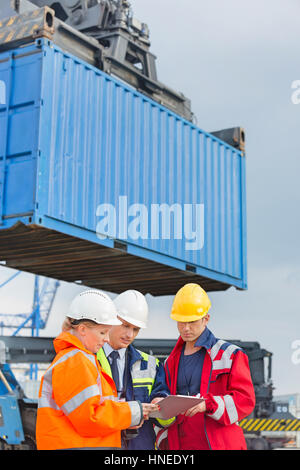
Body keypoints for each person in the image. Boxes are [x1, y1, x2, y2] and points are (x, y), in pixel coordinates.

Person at [36, 289, 159, 450]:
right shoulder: (75, 362)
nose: (107, 339)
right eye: (102, 332)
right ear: (82, 329)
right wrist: (133, 411)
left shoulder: (77, 359)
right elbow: (90, 418)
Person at [155, 283, 256, 451]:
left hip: (219, 445)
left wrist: (208, 404)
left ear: (206, 319)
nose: (186, 328)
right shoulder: (169, 363)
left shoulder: (231, 355)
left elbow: (245, 401)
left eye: (192, 321)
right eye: (181, 322)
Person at [97, 289, 174, 450]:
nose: (129, 335)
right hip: (101, 443)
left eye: (136, 329)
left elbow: (163, 415)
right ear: (112, 319)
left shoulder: (151, 365)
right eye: (125, 326)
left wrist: (162, 404)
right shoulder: (89, 359)